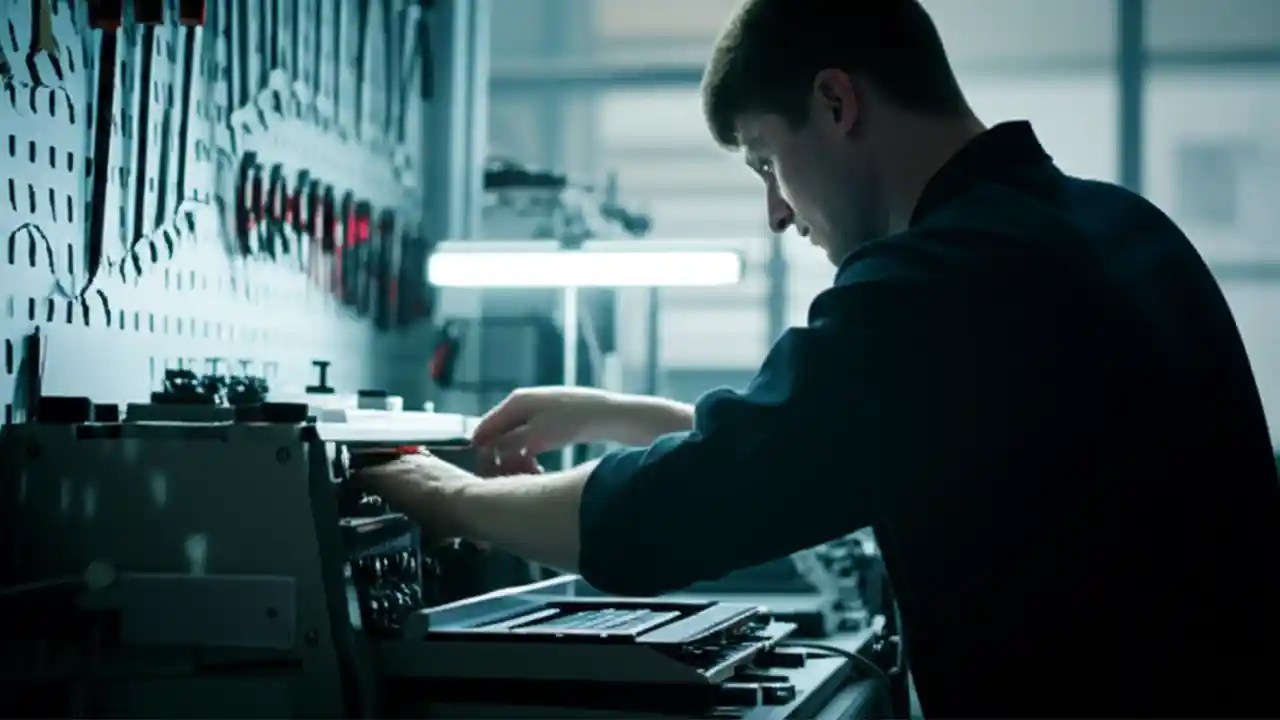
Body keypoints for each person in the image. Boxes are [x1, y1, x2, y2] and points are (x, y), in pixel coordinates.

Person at [359, 0, 1280, 716]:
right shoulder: (1112, 227)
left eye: (766, 161)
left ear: (836, 103)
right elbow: (859, 437)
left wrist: (448, 498)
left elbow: (695, 504)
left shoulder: (944, 278)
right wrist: (615, 413)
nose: (777, 213)